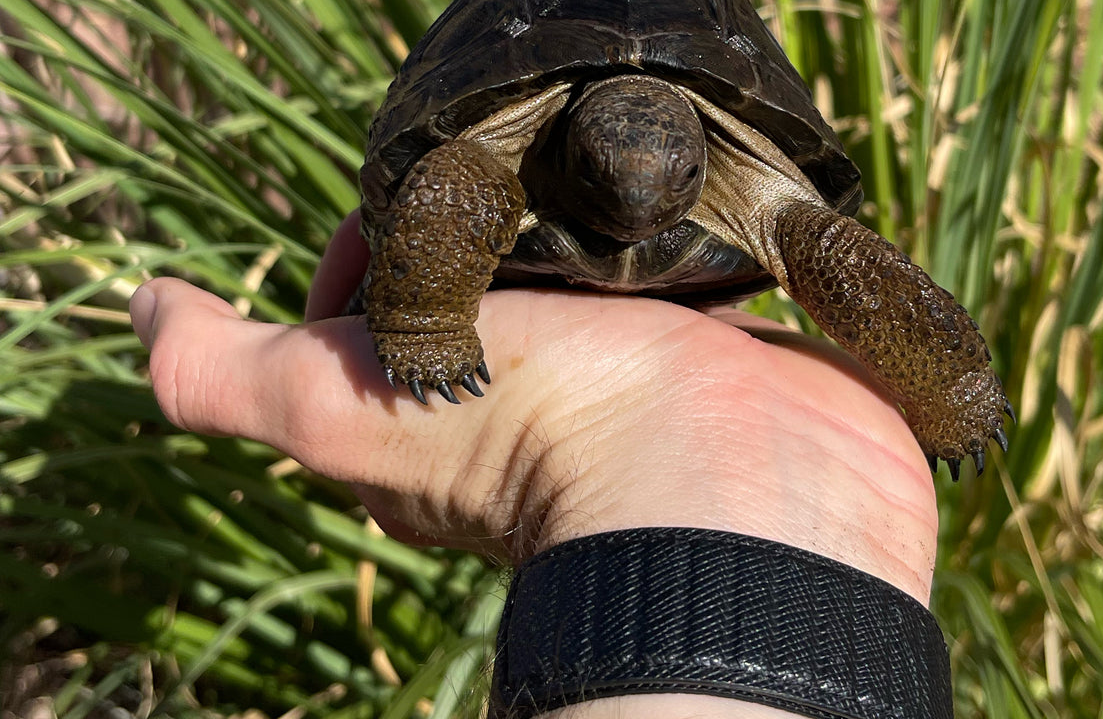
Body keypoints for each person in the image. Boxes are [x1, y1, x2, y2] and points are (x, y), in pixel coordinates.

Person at [130, 212, 944, 719]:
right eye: (604, 162)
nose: (634, 185)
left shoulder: (760, 194)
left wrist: (947, 381)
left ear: (704, 158)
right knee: (454, 206)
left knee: (828, 249)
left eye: (671, 166)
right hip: (510, 175)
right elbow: (456, 181)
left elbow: (826, 239)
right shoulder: (492, 177)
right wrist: (424, 321)